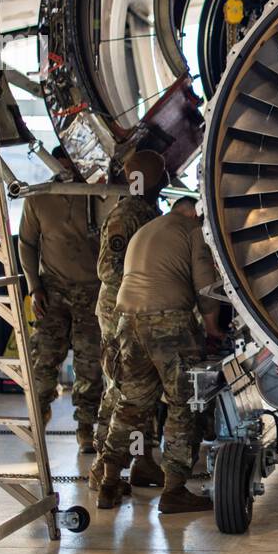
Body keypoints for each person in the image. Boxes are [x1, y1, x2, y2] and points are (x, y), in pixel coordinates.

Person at [93, 196, 225, 513]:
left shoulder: (148, 228)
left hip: (127, 322)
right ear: (195, 212)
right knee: (184, 403)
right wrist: (213, 330)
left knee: (131, 402)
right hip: (168, 323)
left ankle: (108, 481)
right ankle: (175, 489)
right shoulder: (192, 231)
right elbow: (207, 288)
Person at [87, 149, 168, 495]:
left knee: (142, 388)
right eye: (160, 172)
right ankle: (103, 467)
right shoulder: (126, 215)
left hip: (139, 309)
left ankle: (141, 458)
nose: (166, 178)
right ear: (144, 178)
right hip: (121, 311)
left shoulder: (148, 212)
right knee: (122, 388)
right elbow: (108, 269)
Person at [18, 146, 106, 440]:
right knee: (43, 360)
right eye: (63, 163)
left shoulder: (98, 195)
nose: (69, 169)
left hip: (92, 291)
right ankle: (38, 417)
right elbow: (27, 243)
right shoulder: (39, 198)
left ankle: (85, 428)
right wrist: (34, 286)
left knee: (90, 364)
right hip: (52, 291)